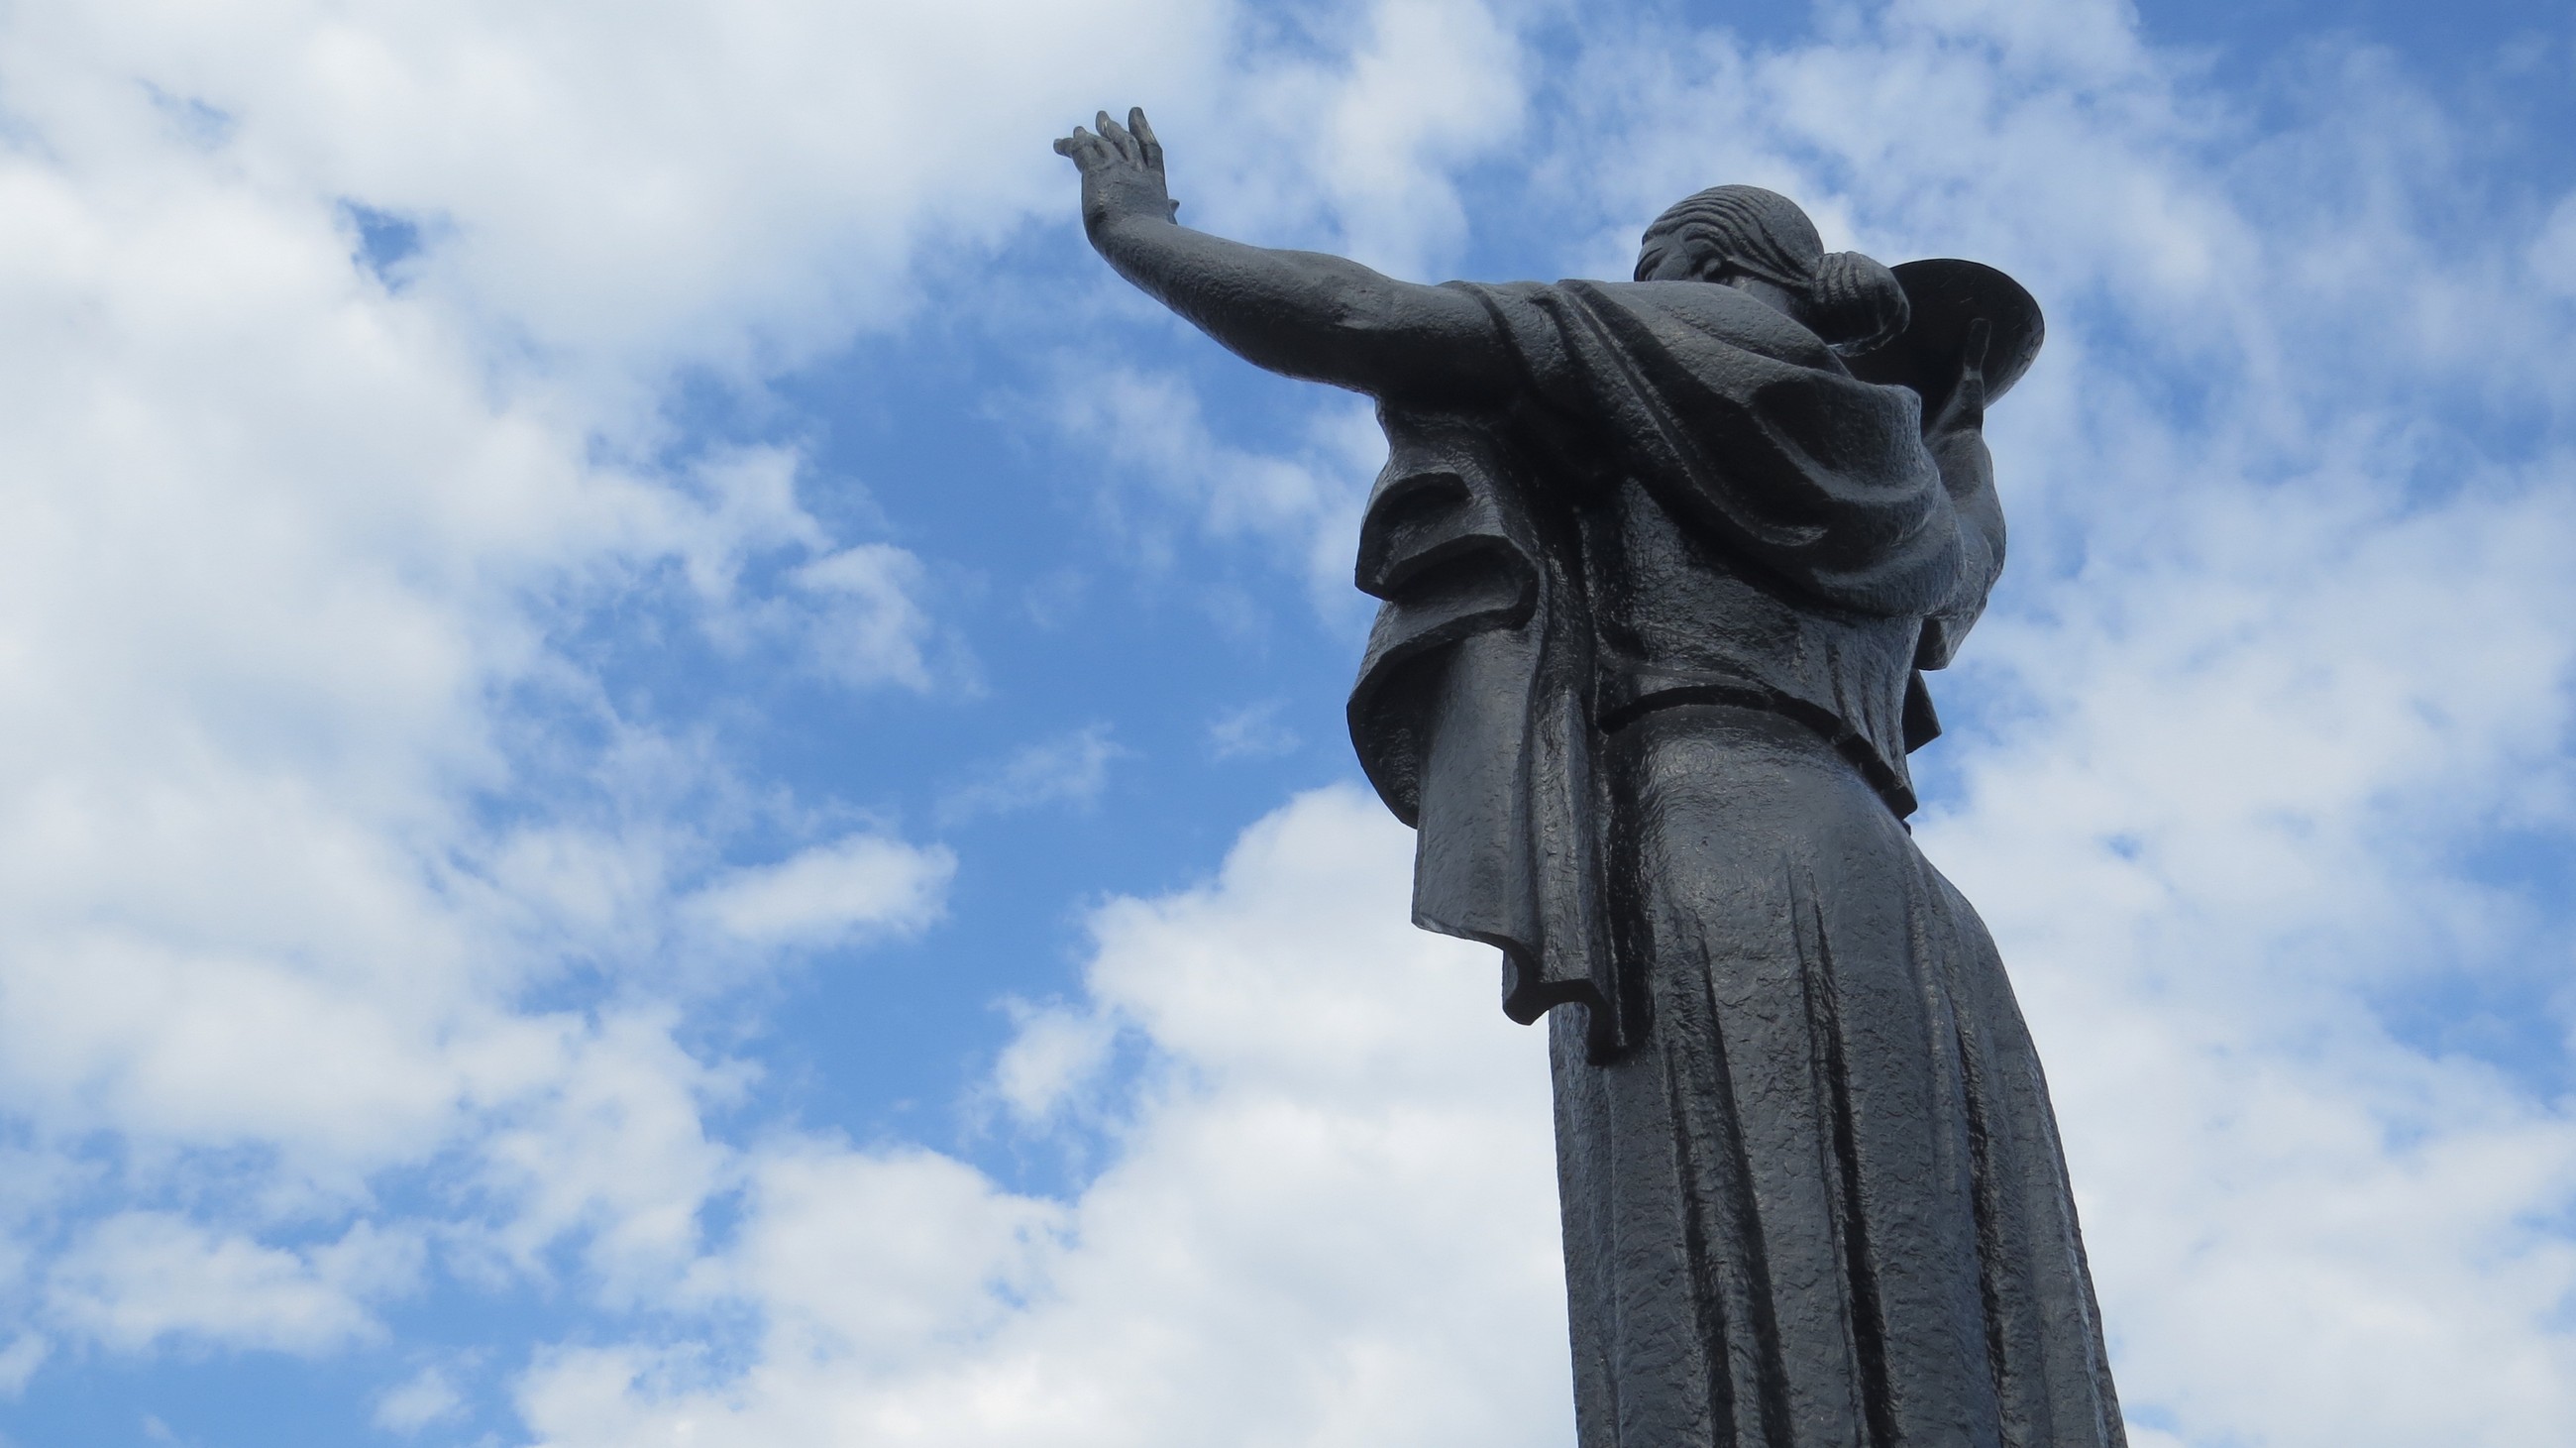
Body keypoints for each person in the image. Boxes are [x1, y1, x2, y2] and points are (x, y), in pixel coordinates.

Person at [1057, 108, 2126, 1448]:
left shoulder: (1645, 342)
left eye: (1655, 260)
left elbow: (1359, 316)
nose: (1643, 284)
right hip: (1906, 909)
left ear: (1703, 263)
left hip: (1706, 860)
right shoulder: (1897, 469)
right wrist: (1957, 428)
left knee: (1721, 1279)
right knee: (1945, 1328)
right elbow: (1966, 572)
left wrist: (1141, 233)